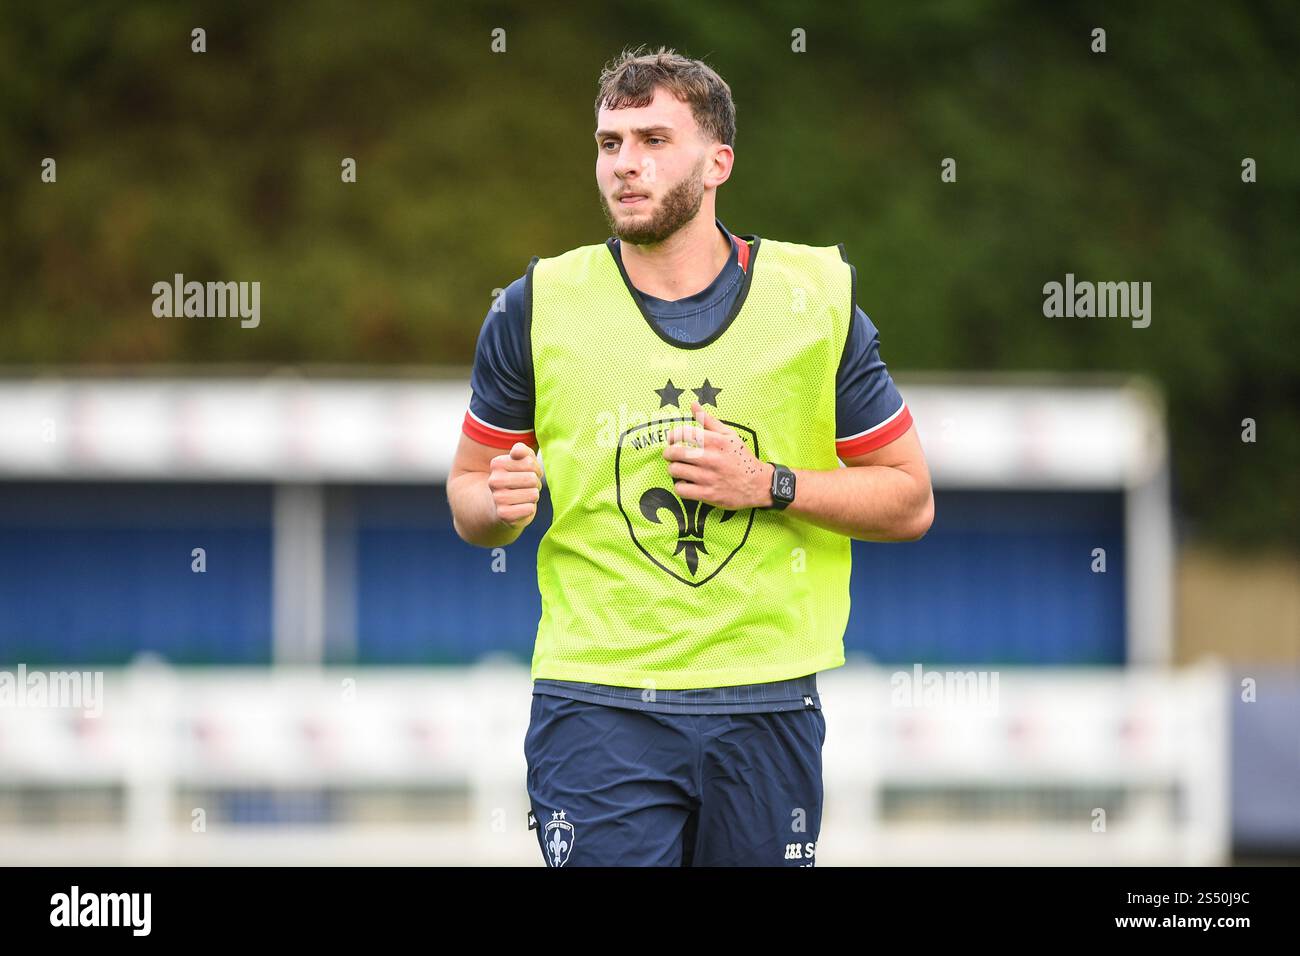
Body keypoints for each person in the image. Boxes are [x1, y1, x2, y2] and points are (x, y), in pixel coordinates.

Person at [447, 45, 933, 866]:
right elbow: (468, 491)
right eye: (609, 144)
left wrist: (768, 484)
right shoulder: (536, 306)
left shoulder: (813, 302)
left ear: (719, 162)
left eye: (652, 141)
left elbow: (909, 500)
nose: (624, 166)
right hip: (596, 704)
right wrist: (497, 508)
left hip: (767, 703)